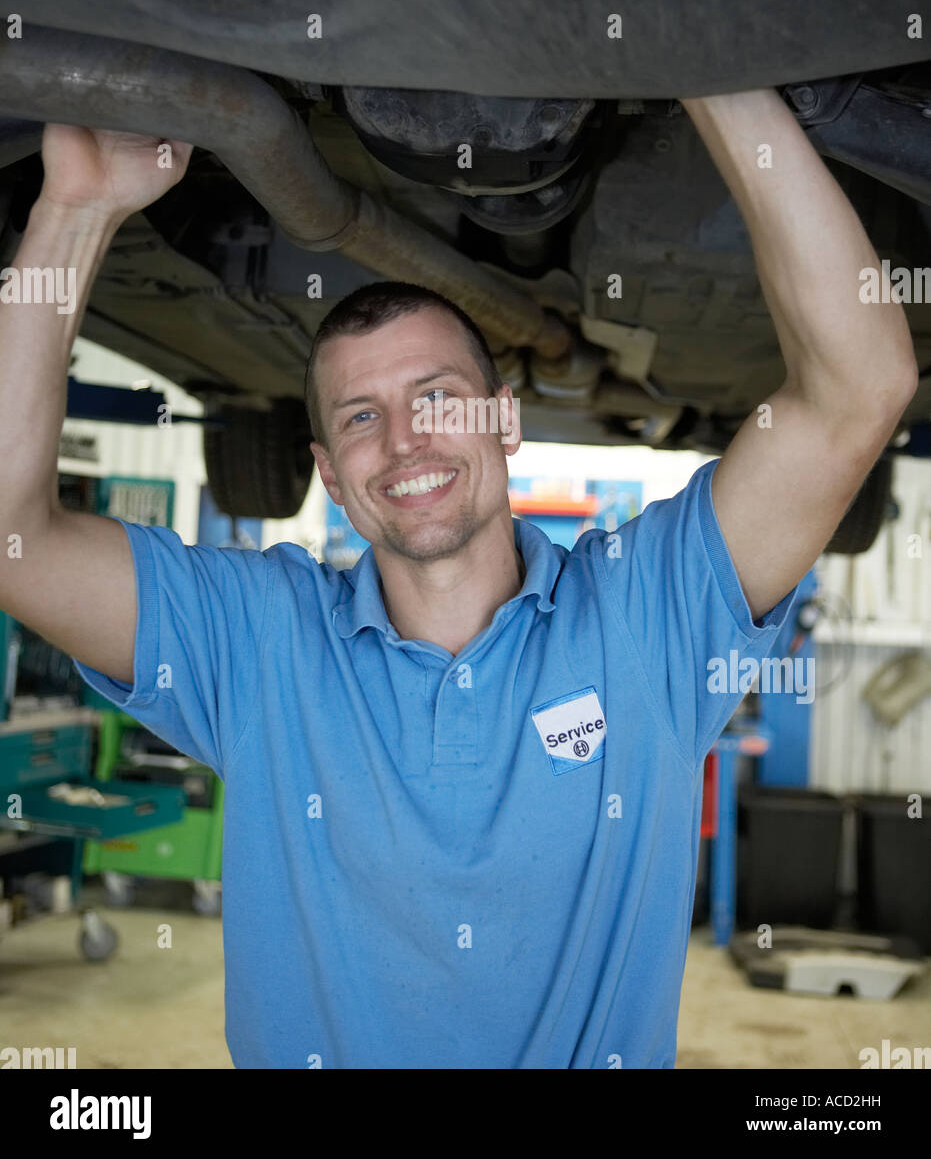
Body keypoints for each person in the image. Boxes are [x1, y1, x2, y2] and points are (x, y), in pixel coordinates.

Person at [0, 95, 916, 1068]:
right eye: (360, 417)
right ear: (327, 466)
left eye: (436, 397)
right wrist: (79, 207)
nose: (403, 441)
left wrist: (715, 75)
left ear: (504, 421)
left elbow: (859, 386)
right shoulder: (256, 637)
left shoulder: (646, 617)